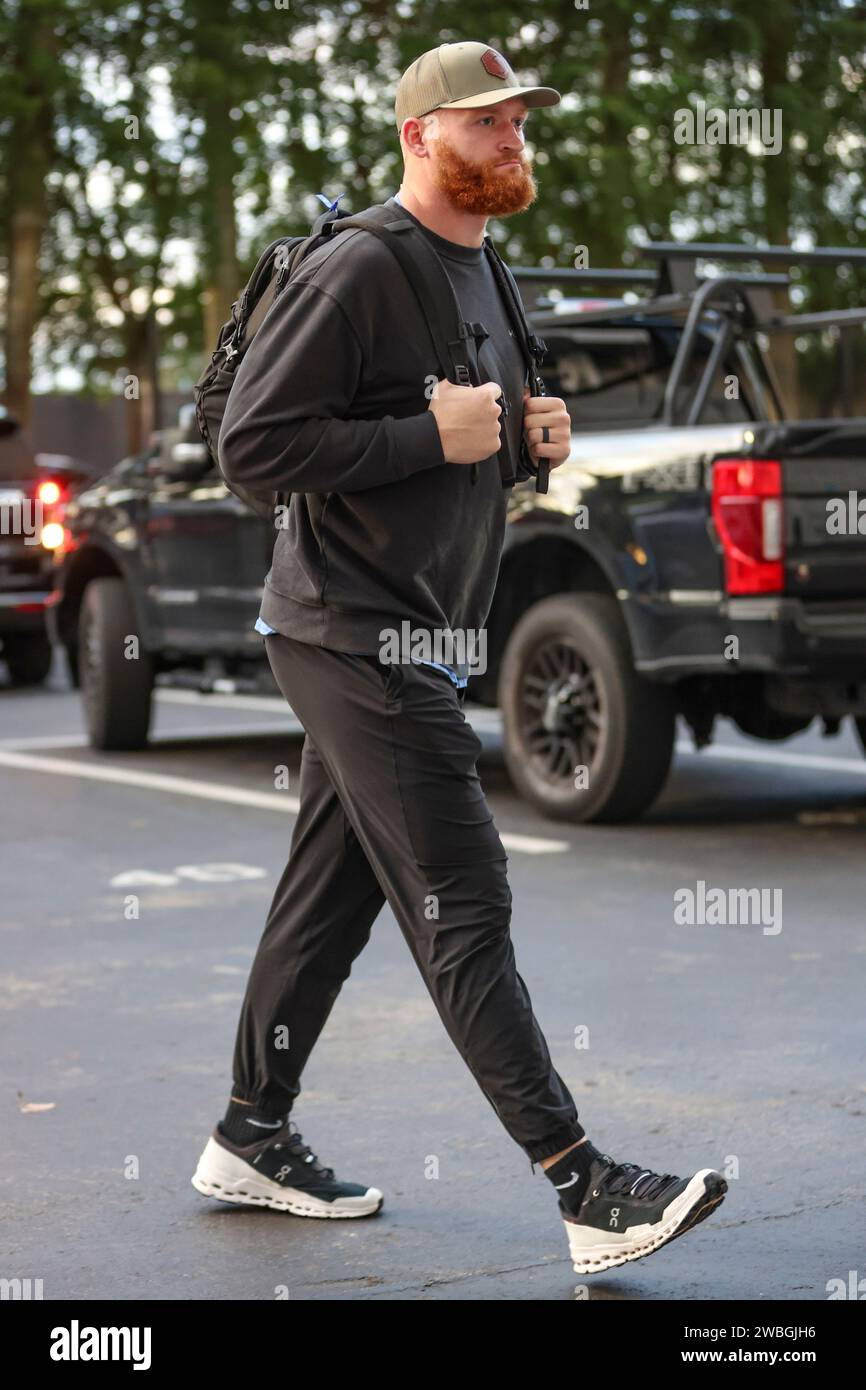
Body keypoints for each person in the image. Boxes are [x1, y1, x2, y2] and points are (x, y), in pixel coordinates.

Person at [191, 39, 727, 1275]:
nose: (511, 139)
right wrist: (420, 436)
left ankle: (247, 1133)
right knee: (463, 898)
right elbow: (255, 450)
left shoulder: (487, 272)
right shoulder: (358, 268)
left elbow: (465, 441)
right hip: (352, 629)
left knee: (329, 901)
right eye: (485, 122)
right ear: (418, 137)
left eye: (519, 121)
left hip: (419, 630)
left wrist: (524, 445)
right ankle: (584, 1184)